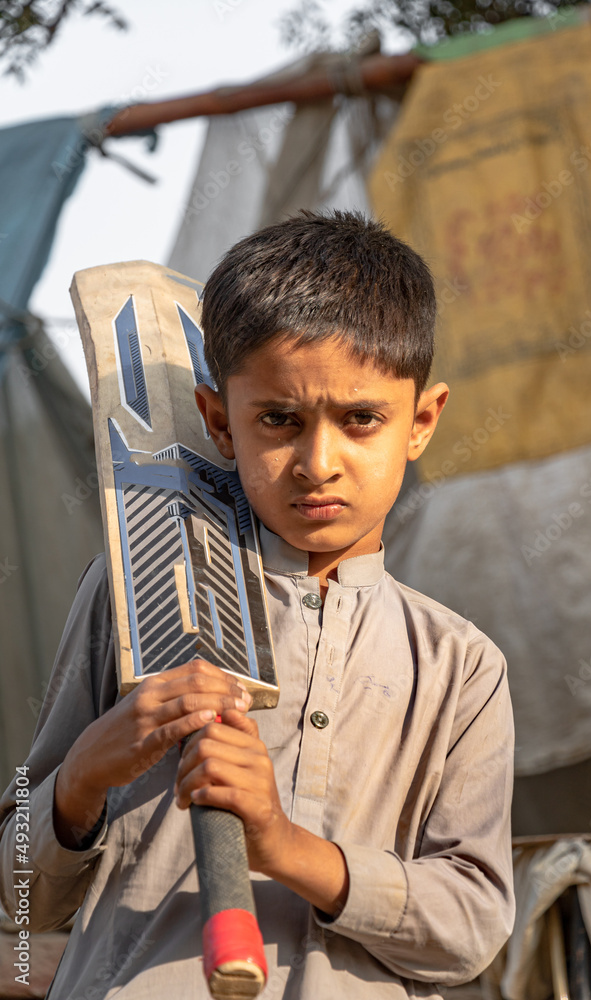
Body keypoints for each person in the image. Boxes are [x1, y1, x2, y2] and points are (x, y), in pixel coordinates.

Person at [0, 210, 514, 999]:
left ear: (421, 421)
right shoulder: (137, 586)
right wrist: (80, 780)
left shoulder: (459, 665)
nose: (317, 463)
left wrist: (282, 846)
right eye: (278, 419)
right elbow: (21, 892)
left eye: (360, 420)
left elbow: (471, 929)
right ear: (218, 423)